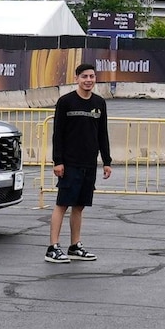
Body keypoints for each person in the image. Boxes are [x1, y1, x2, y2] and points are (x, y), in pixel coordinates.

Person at [46, 62, 112, 263]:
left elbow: (102, 134)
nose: (88, 80)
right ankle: (53, 247)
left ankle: (75, 246)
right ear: (76, 78)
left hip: (89, 164)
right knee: (62, 204)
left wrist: (106, 161)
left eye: (91, 76)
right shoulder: (65, 102)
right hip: (69, 163)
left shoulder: (99, 103)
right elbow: (58, 134)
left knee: (79, 206)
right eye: (84, 76)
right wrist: (58, 161)